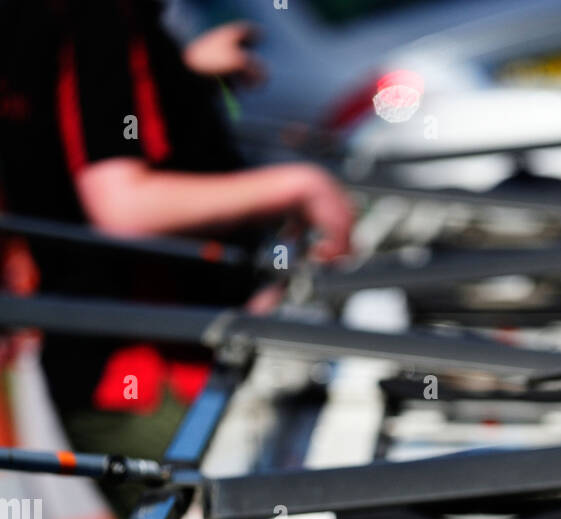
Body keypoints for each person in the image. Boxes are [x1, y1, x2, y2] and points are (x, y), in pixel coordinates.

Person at [0, 0, 355, 461]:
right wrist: (299, 186)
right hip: (156, 378)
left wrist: (183, 75)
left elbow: (76, 126)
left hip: (128, 362)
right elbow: (121, 205)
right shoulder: (99, 14)